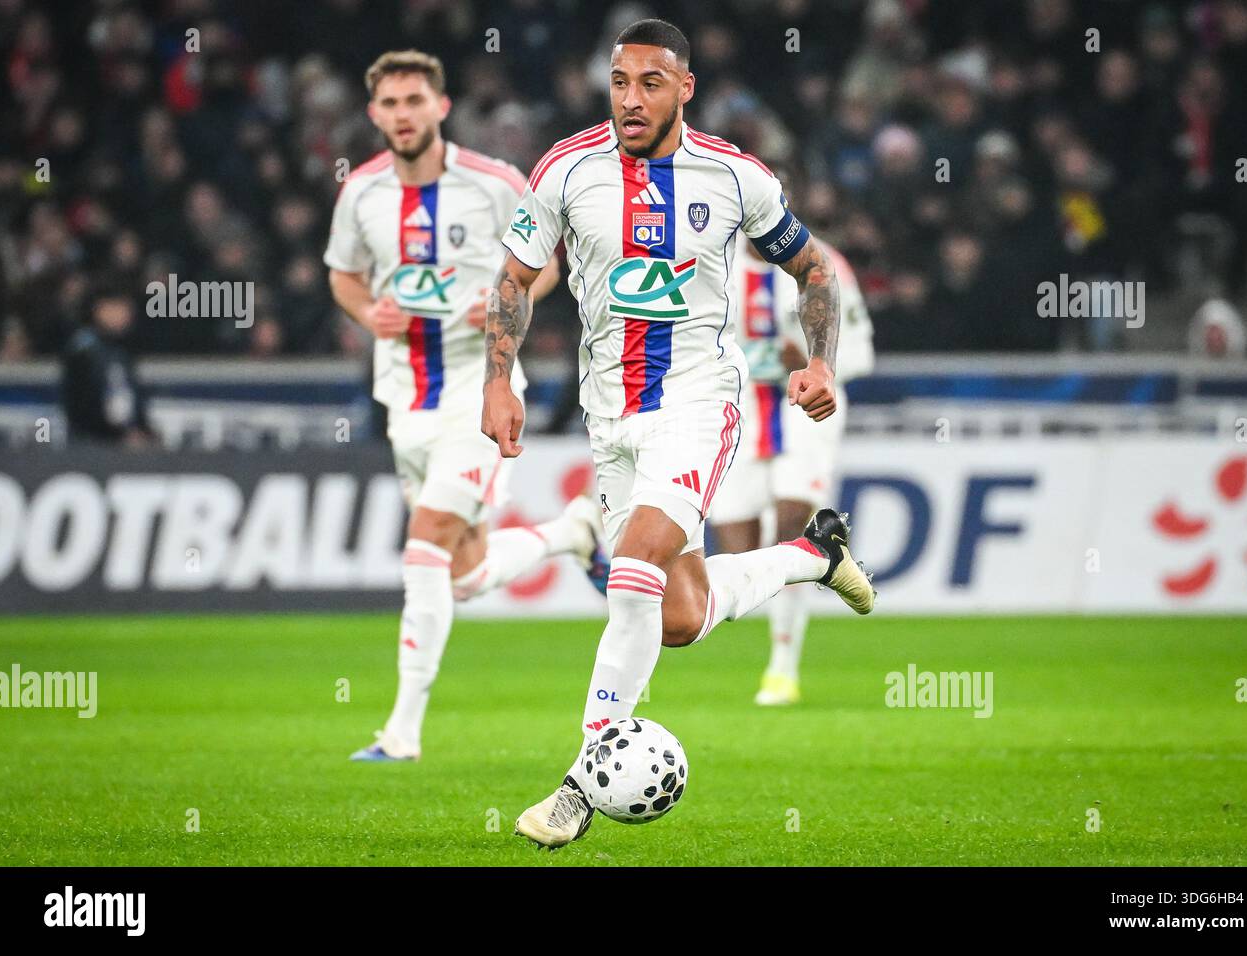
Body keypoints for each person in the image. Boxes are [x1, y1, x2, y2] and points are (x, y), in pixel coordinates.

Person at [481, 20, 876, 848]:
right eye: (620, 82)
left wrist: (821, 362)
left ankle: (576, 790)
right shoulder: (565, 168)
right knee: (679, 617)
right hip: (609, 414)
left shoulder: (734, 177)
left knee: (630, 573)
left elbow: (812, 269)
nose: (631, 98)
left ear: (684, 88)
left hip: (698, 402)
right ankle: (814, 558)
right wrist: (497, 380)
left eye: (650, 83)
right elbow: (515, 279)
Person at [325, 50, 603, 763]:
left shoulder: (494, 183)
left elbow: (550, 265)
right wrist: (368, 313)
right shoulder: (360, 192)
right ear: (374, 114)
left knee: (422, 549)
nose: (403, 115)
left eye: (415, 100)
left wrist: (507, 297)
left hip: (479, 395)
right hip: (403, 398)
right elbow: (343, 276)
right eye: (389, 104)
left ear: (442, 106)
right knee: (464, 574)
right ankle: (570, 533)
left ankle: (401, 734)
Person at [709, 235, 874, 706]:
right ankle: (826, 563)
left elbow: (862, 352)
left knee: (790, 524)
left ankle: (782, 668)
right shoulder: (710, 257)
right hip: (737, 412)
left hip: (804, 411)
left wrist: (808, 361)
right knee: (735, 544)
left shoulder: (825, 261)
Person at [60, 288, 154, 446]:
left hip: (122, 441)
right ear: (101, 310)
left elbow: (131, 398)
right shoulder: (84, 350)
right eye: (120, 308)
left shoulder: (122, 349)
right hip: (94, 444)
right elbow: (82, 406)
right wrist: (118, 435)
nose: (127, 314)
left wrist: (143, 430)